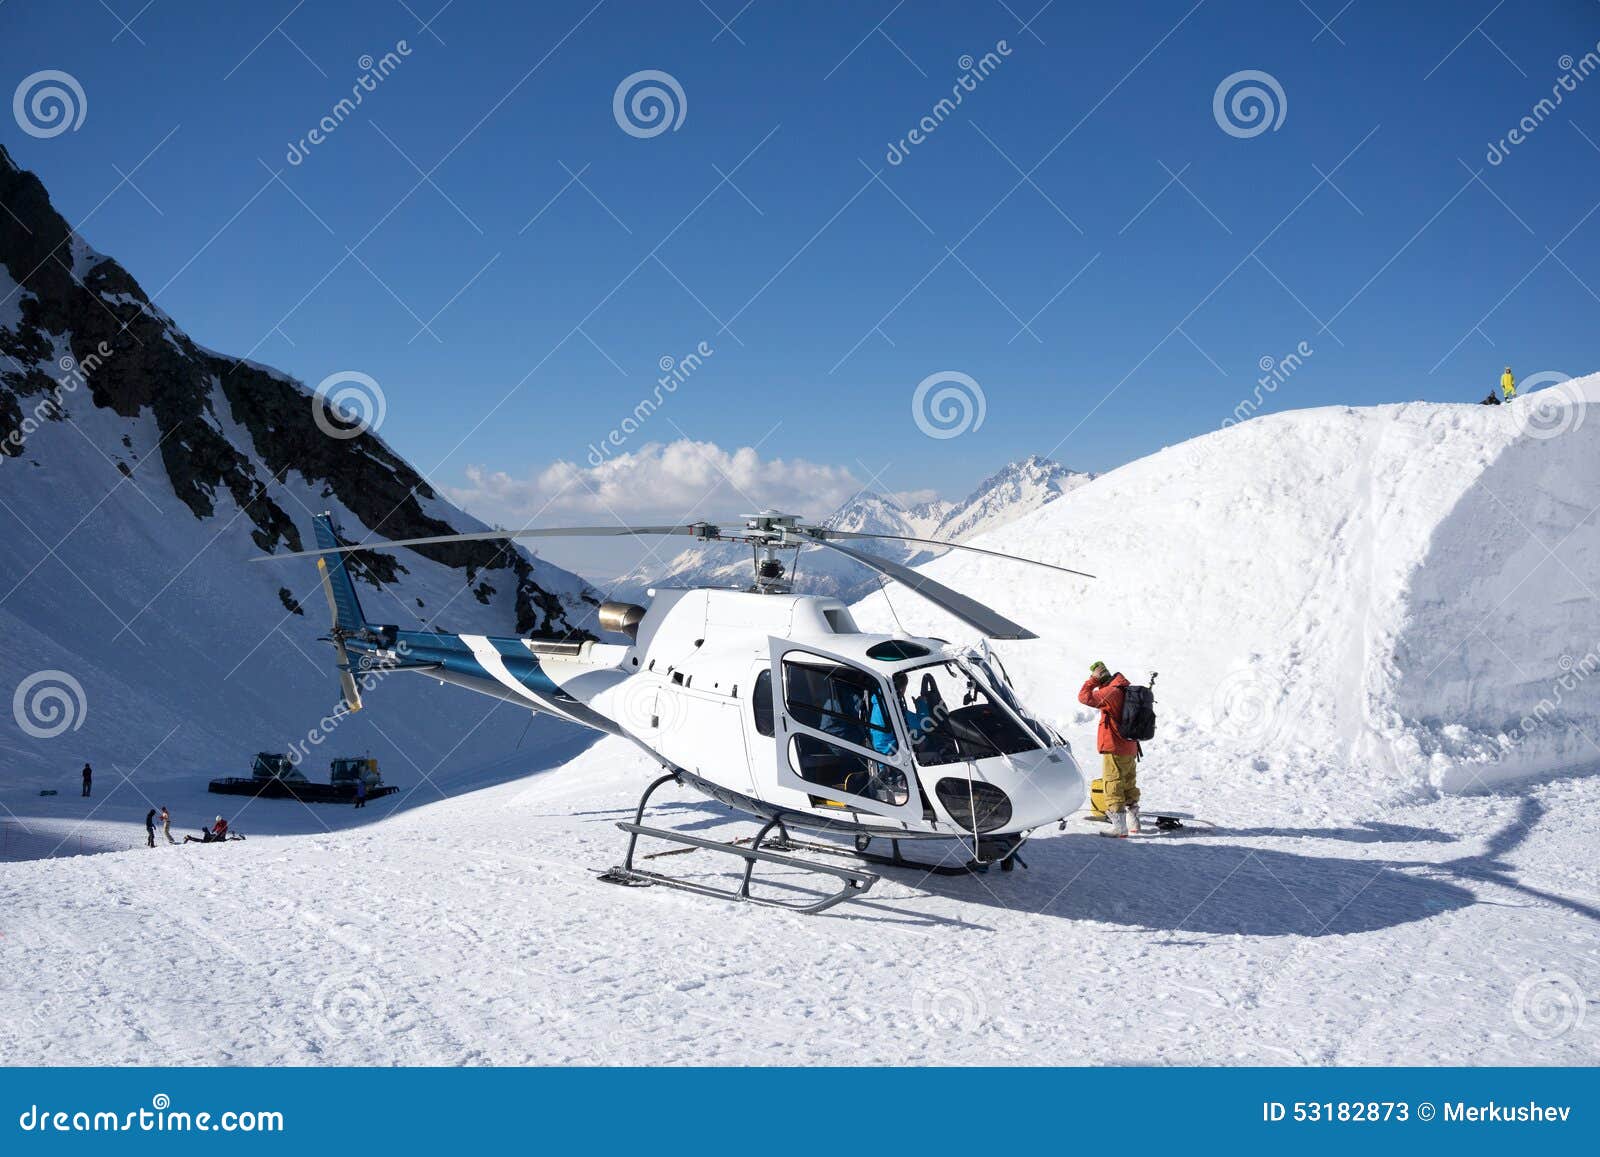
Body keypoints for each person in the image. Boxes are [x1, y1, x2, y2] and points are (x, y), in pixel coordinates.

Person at [1078, 660, 1142, 837]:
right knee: (1129, 783)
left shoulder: (1111, 692)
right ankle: (1134, 823)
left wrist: (1092, 680)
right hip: (1131, 745)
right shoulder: (1127, 689)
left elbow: (1084, 697)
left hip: (1114, 746)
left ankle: (1119, 827)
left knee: (1112, 783)